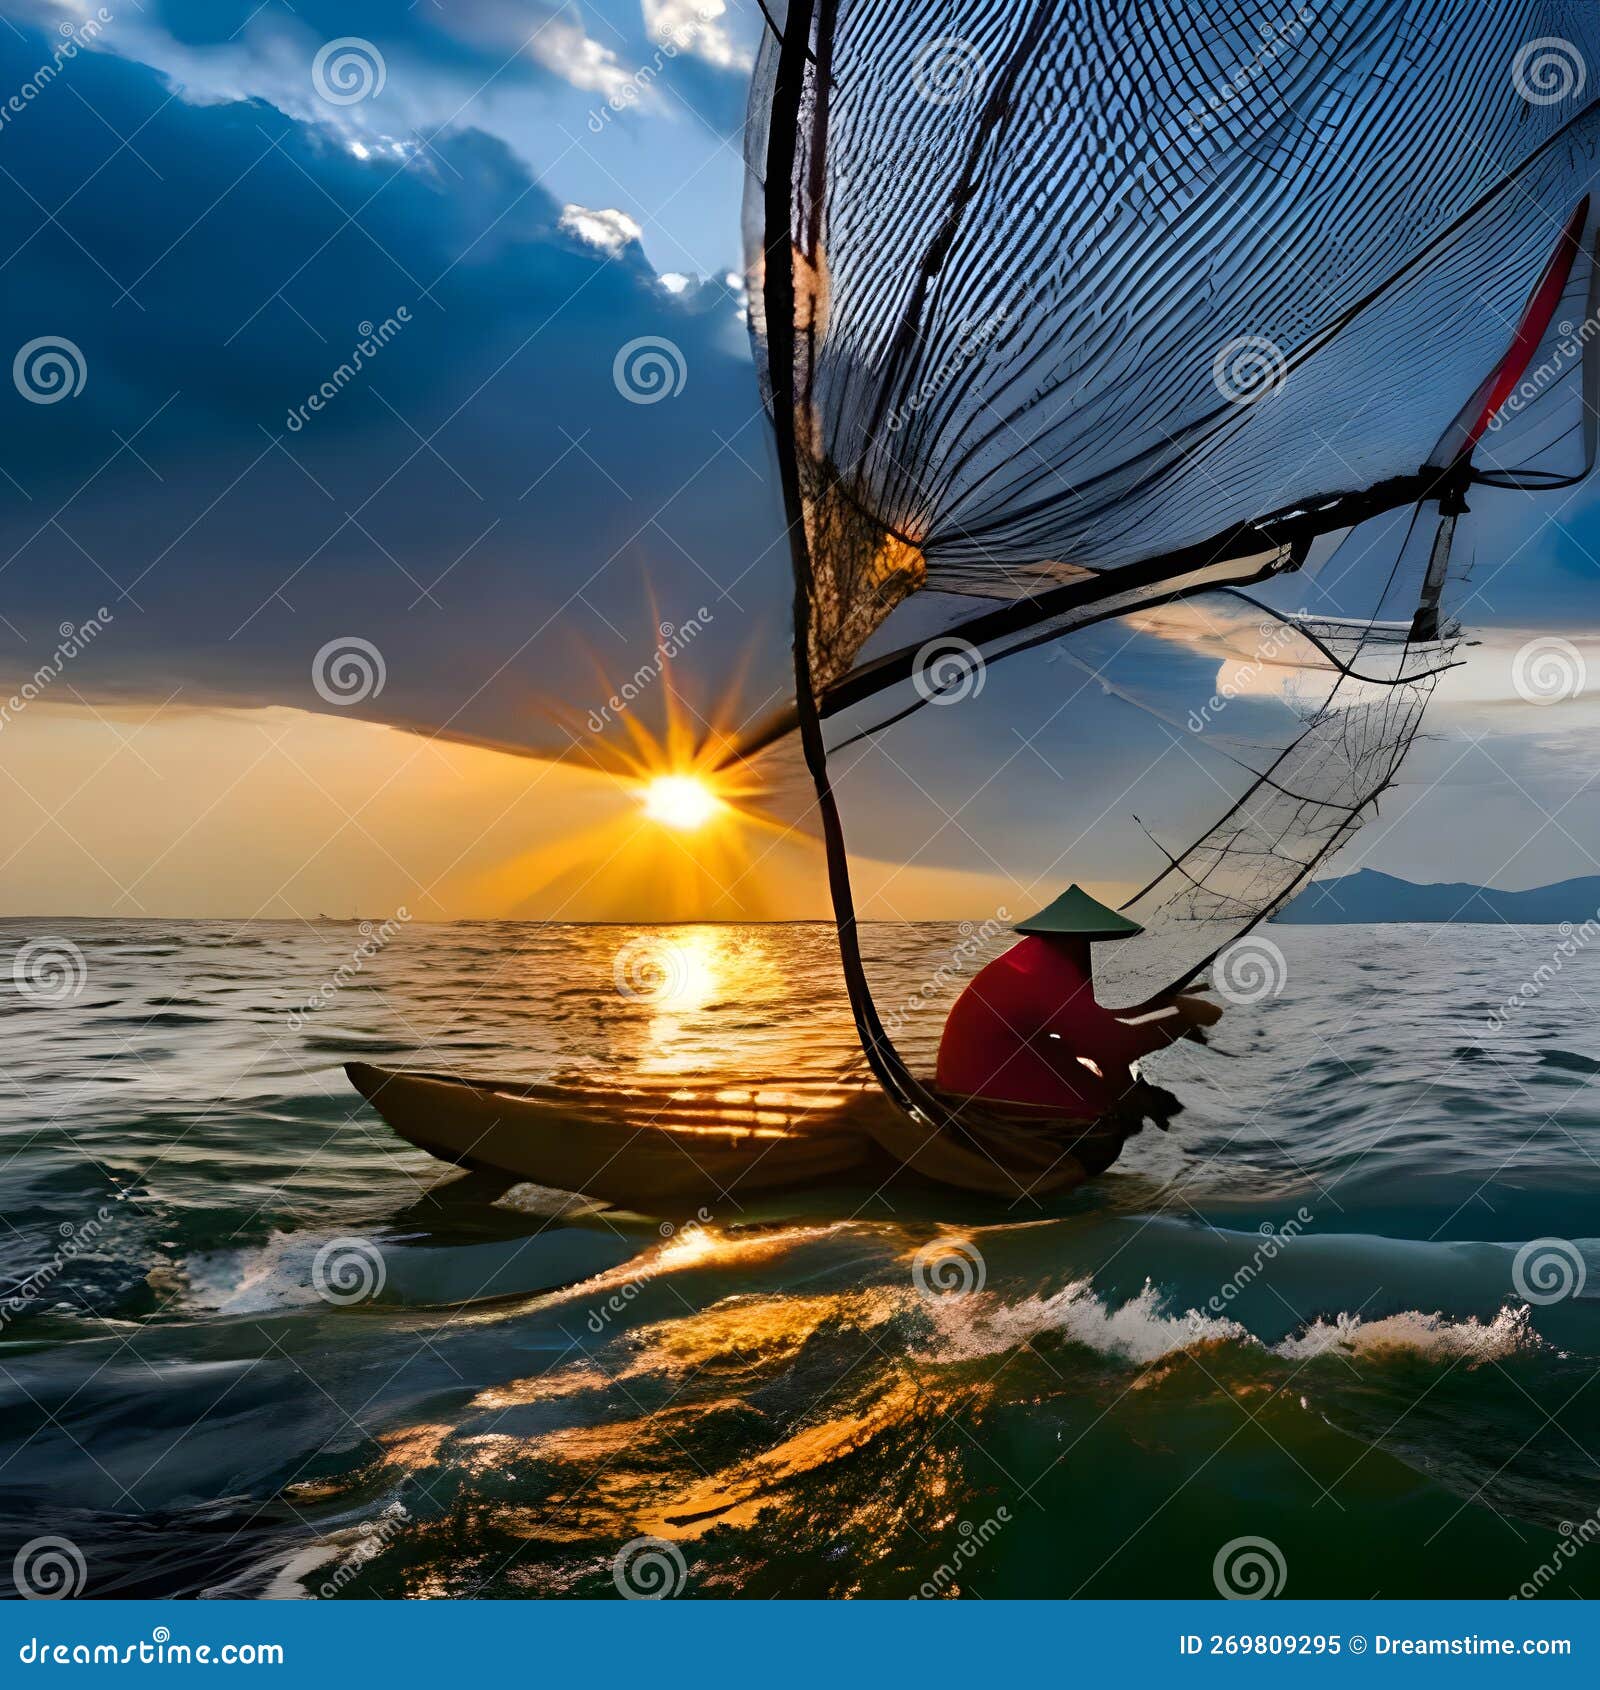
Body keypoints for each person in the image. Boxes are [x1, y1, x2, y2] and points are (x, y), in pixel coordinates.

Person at [936, 886, 1221, 1120]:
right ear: (1075, 940)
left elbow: (1096, 1016)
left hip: (968, 1076)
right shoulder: (1048, 972)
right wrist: (1178, 1019)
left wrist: (1168, 1006)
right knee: (1097, 1105)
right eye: (1090, 941)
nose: (1092, 950)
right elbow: (1104, 1044)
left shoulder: (1035, 960)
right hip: (982, 1087)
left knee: (1095, 1083)